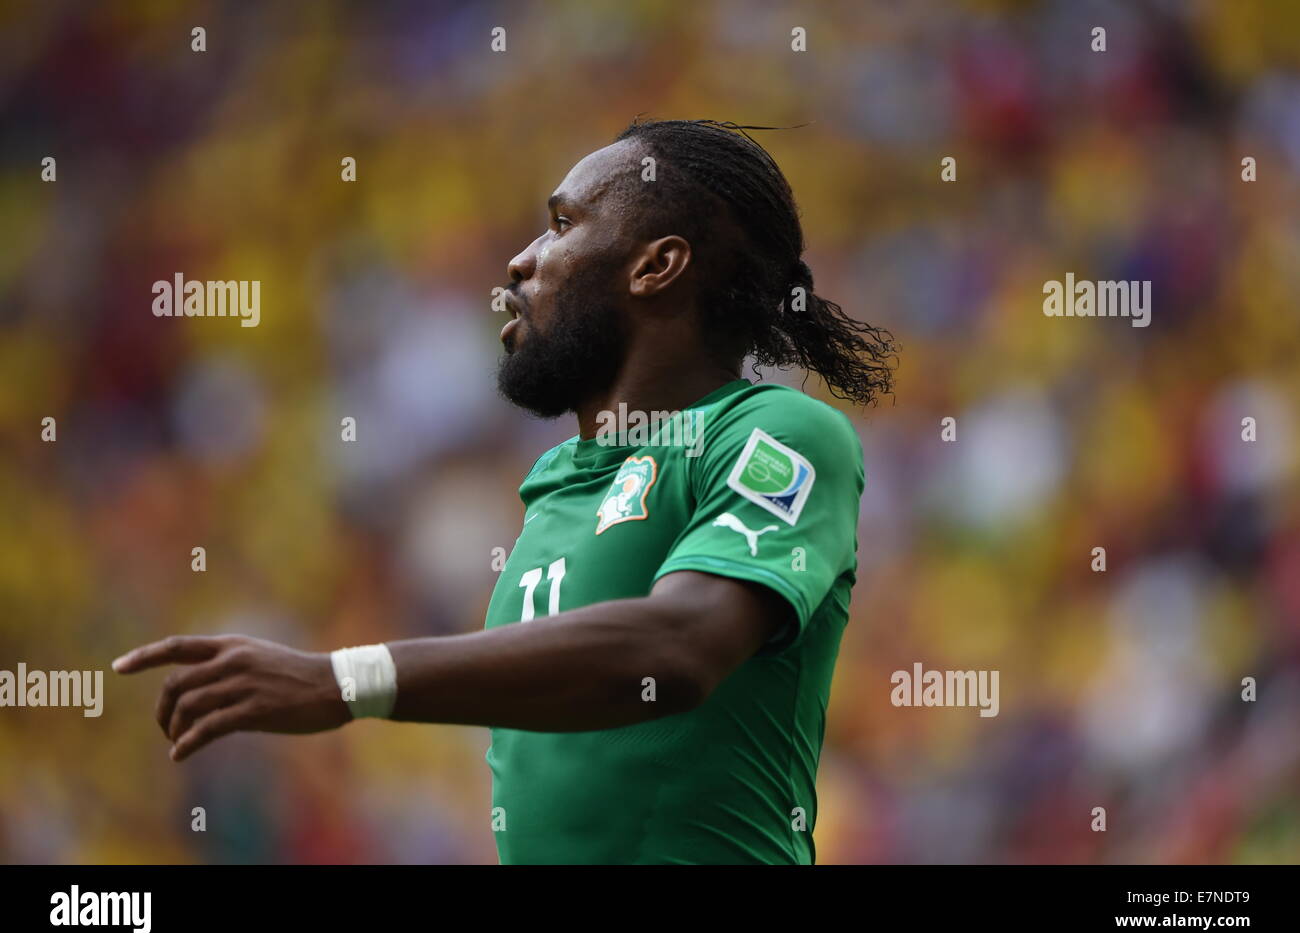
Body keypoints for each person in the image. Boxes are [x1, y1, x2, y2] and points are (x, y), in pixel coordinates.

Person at [113, 119, 897, 864]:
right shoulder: (556, 485)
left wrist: (346, 679)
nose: (520, 262)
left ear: (655, 266)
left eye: (561, 225)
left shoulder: (775, 432)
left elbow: (679, 648)